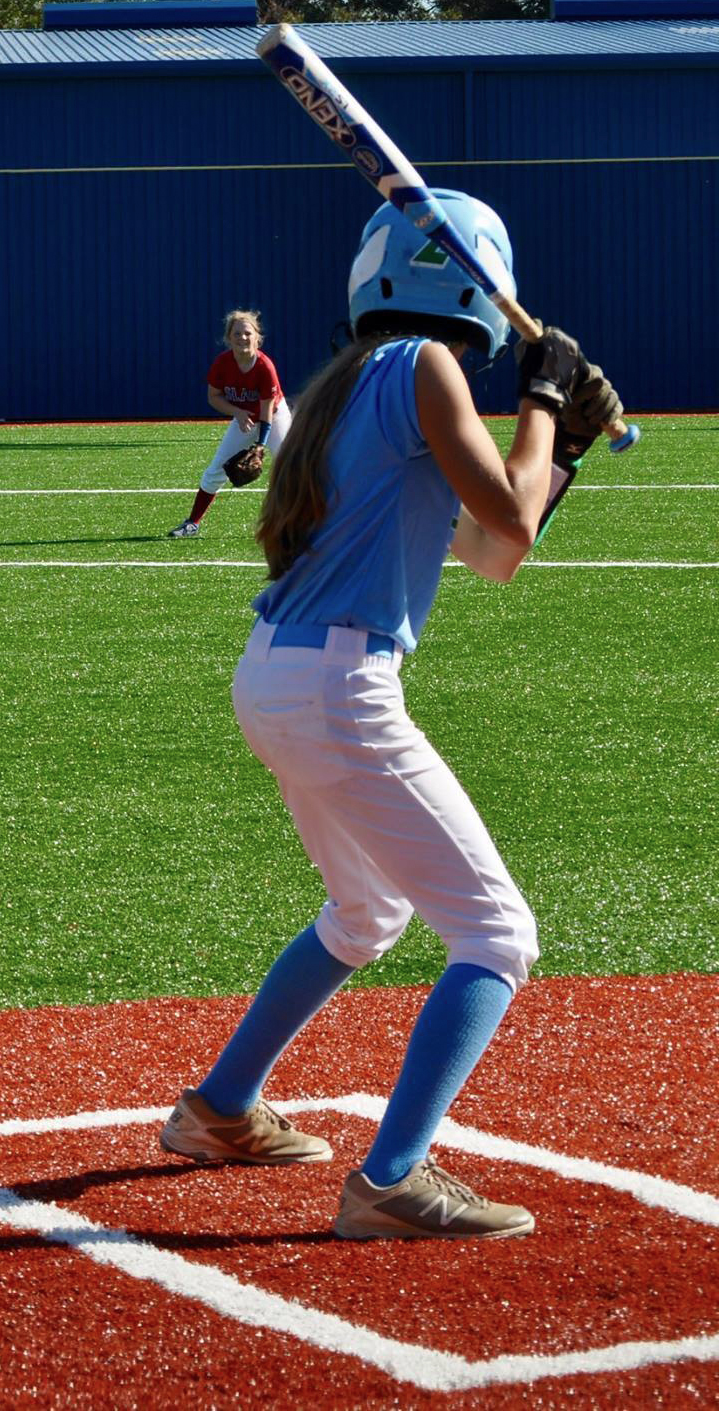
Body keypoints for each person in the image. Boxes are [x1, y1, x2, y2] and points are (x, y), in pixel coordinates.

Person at [156, 190, 622, 1240]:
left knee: (366, 912)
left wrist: (566, 440)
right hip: (337, 685)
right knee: (497, 933)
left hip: (277, 675)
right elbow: (508, 521)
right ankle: (390, 1180)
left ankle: (218, 1108)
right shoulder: (423, 370)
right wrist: (543, 393)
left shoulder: (347, 385)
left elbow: (492, 551)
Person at [167, 310, 293, 539]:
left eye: (247, 333)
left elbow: (267, 410)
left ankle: (307, 522)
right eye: (237, 333)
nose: (242, 337)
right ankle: (192, 523)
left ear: (257, 337)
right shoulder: (223, 363)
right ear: (228, 338)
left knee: (290, 465)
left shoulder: (264, 366)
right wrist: (237, 412)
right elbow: (213, 397)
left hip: (274, 417)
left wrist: (260, 446)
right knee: (216, 470)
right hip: (244, 417)